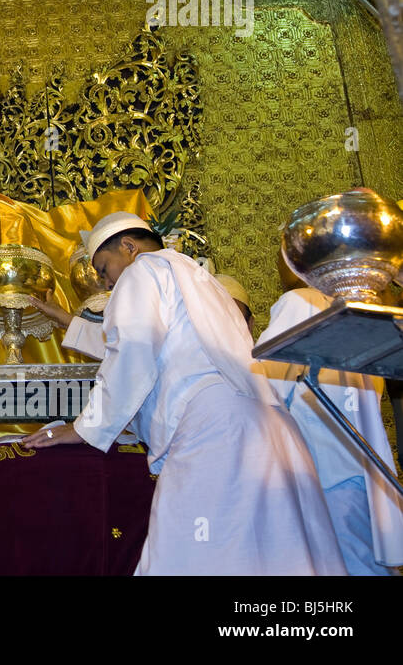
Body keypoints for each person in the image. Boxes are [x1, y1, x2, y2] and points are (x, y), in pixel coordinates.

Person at [23, 212, 345, 575]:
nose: (103, 281)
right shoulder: (192, 275)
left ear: (129, 248)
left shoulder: (142, 270)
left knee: (183, 554)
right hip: (265, 427)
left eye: (103, 268)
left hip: (213, 431)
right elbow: (142, 340)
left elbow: (133, 348)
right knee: (272, 552)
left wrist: (85, 428)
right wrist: (65, 319)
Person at [256, 281, 403, 575]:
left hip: (323, 467)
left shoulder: (302, 300)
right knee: (364, 561)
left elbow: (265, 380)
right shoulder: (364, 319)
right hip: (359, 468)